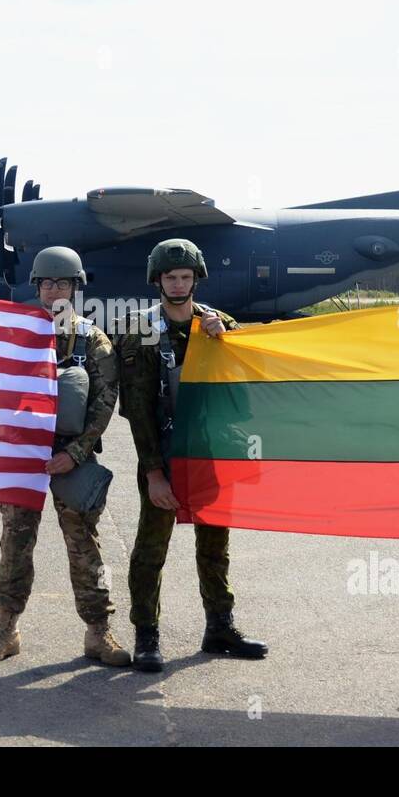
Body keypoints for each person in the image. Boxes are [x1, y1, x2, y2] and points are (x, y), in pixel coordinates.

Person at [116, 238, 268, 672]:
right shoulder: (140, 328)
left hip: (211, 455)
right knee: (151, 550)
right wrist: (153, 473)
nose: (178, 285)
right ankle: (147, 635)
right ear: (157, 280)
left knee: (215, 545)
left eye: (185, 277)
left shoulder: (219, 324)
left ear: (196, 279)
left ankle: (219, 626)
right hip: (164, 455)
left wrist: (228, 340)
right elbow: (138, 410)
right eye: (170, 277)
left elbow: (250, 379)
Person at [0, 247, 131, 667]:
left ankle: (99, 631)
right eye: (47, 283)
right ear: (37, 287)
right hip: (23, 456)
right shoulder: (17, 334)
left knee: (84, 545)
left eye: (63, 283)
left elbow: (105, 401)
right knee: (15, 542)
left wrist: (77, 453)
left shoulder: (92, 339)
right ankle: (6, 628)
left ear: (76, 288)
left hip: (71, 457)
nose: (54, 290)